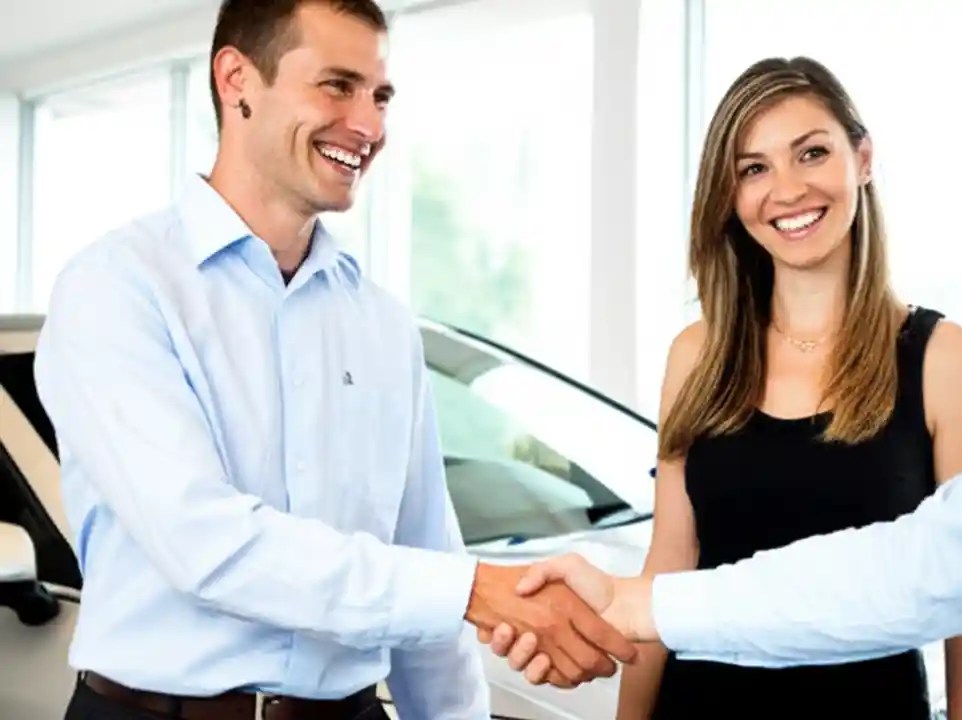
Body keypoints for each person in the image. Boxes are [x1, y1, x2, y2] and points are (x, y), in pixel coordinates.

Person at [484, 0, 962, 717]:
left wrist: (637, 603)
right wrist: (632, 605)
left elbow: (959, 604)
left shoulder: (958, 355)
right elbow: (919, 569)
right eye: (753, 167)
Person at [32, 1, 634, 719]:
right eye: (337, 86)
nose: (371, 126)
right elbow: (207, 545)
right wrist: (475, 590)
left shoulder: (381, 324)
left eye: (380, 97)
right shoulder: (116, 288)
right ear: (237, 80)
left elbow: (425, 556)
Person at [504, 56, 962, 718]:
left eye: (812, 153)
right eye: (754, 168)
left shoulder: (944, 360)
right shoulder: (698, 356)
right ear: (731, 195)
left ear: (863, 159)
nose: (788, 189)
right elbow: (668, 568)